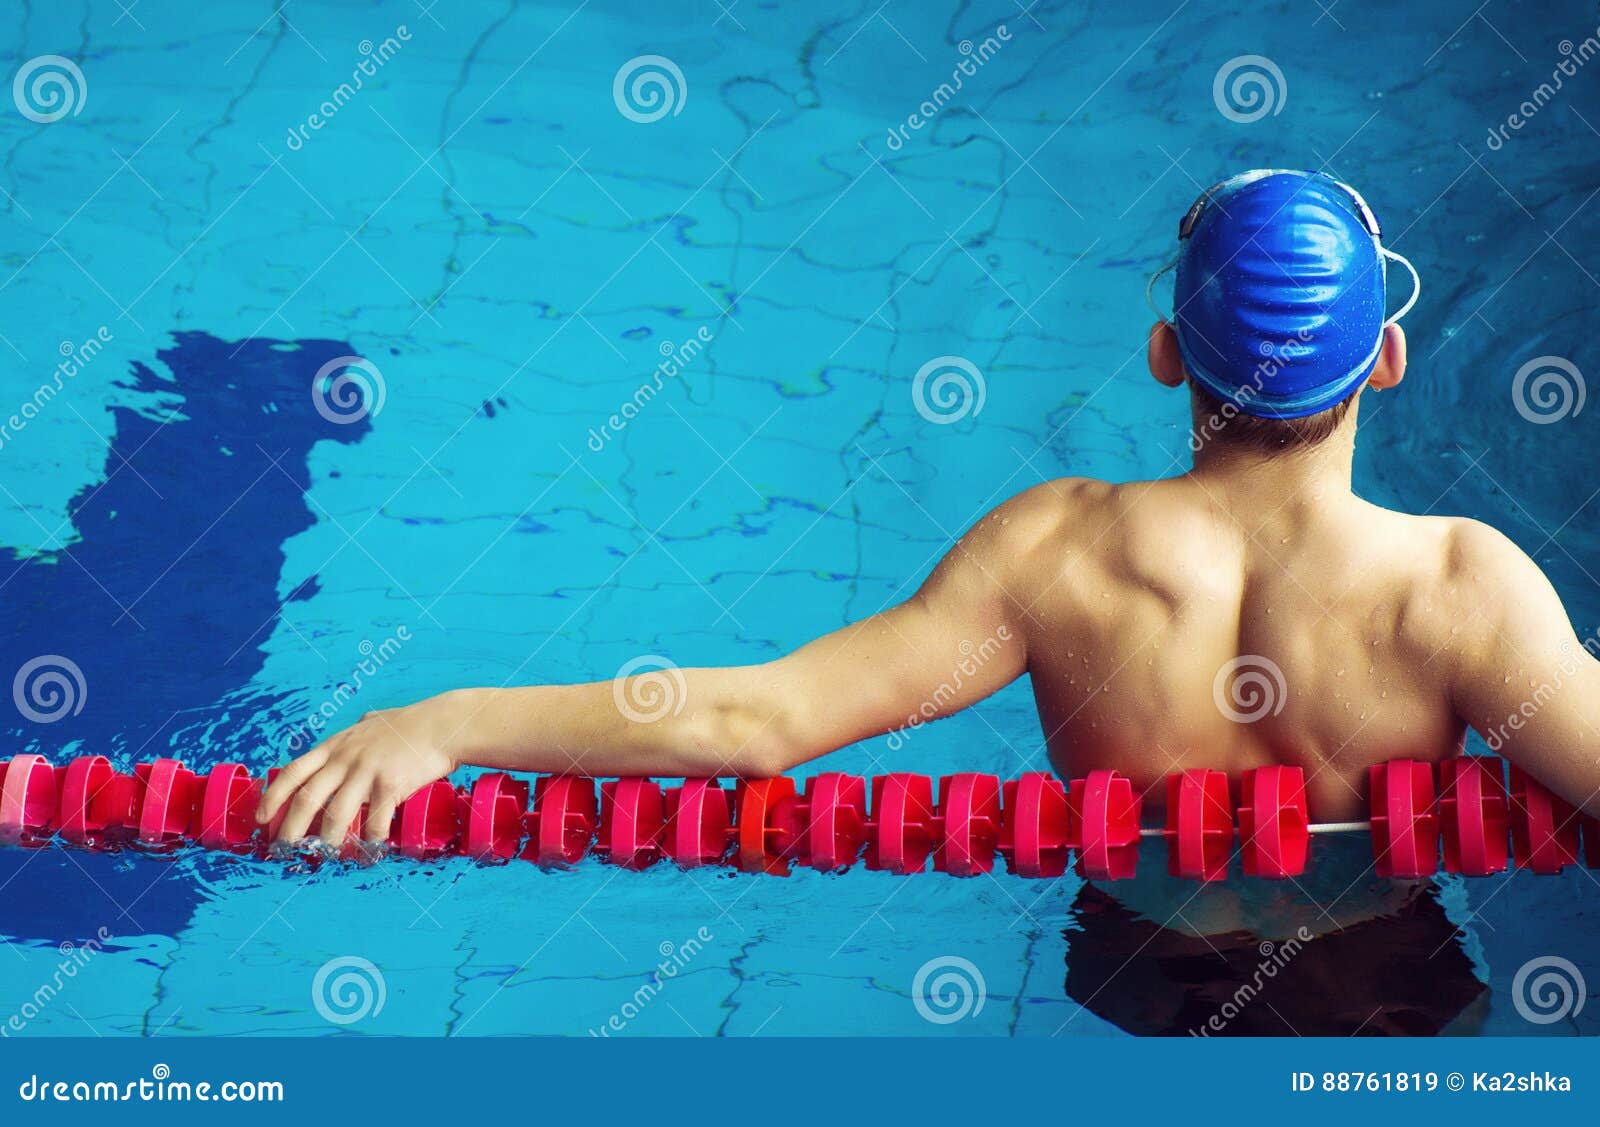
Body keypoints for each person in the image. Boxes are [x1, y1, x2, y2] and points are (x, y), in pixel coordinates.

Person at [257, 169, 1600, 907]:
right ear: (1389, 361)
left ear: (1160, 357)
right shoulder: (1459, 591)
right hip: (1392, 1009)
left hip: (1137, 993)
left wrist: (448, 721)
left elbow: (758, 727)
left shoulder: (1056, 557)